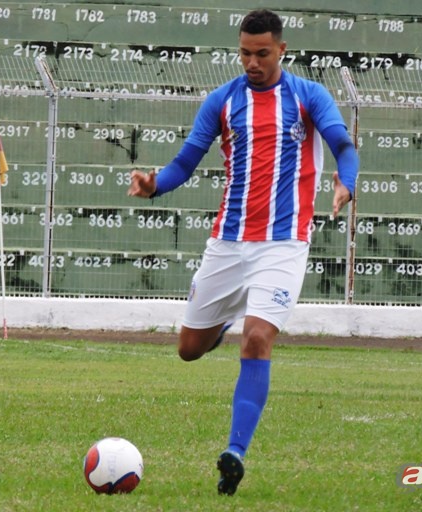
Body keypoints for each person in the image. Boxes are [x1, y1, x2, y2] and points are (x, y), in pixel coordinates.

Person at [128, 8, 359, 496]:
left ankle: (234, 453)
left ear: (281, 50)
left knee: (257, 340)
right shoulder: (223, 101)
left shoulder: (308, 96)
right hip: (228, 244)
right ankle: (222, 322)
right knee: (188, 350)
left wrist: (346, 181)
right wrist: (155, 186)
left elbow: (343, 143)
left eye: (261, 53)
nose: (251, 62)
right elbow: (186, 161)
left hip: (283, 244)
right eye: (244, 53)